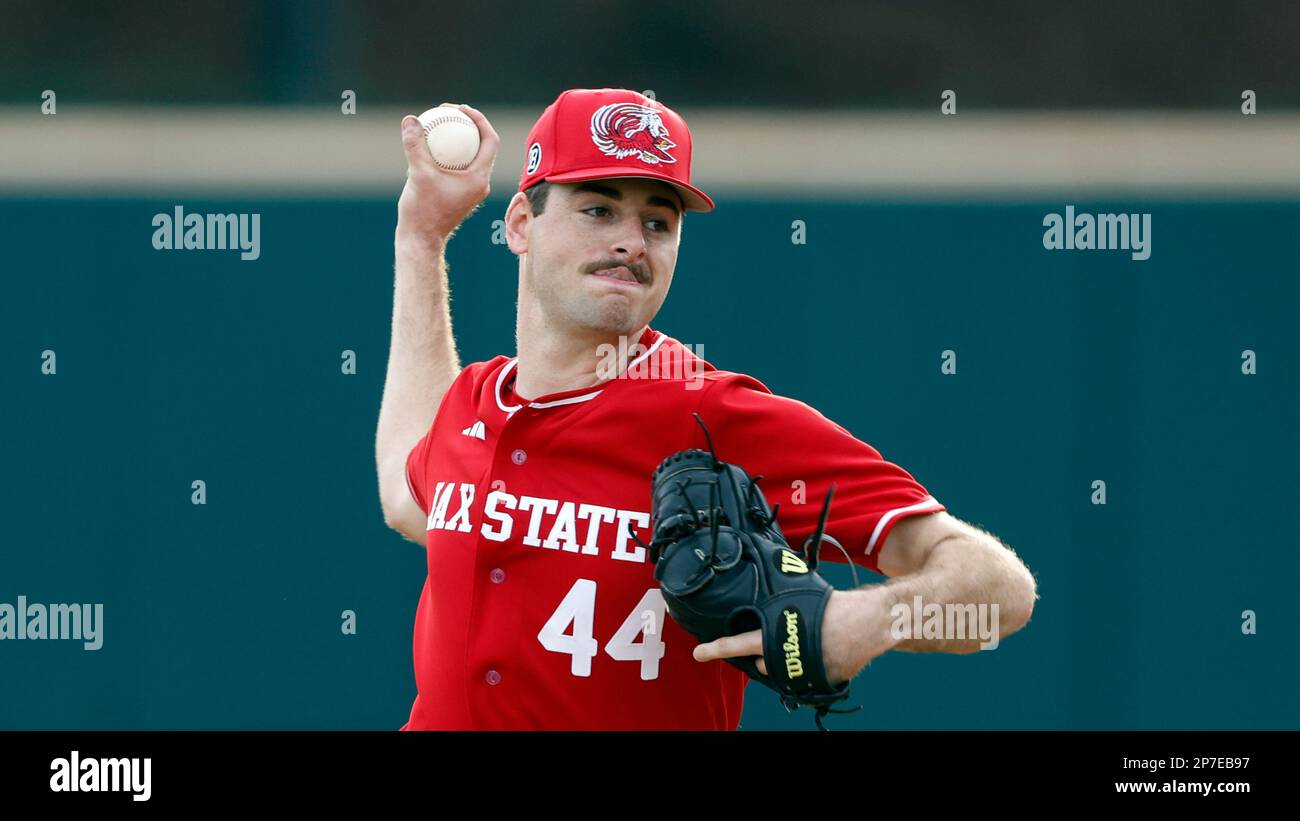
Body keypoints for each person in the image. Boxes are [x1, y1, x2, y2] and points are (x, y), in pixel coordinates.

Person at [376, 88, 1037, 730]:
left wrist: (860, 623)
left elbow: (1000, 590)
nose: (632, 241)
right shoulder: (474, 401)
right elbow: (409, 502)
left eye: (658, 222)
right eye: (599, 210)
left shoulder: (712, 418)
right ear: (520, 224)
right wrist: (421, 236)